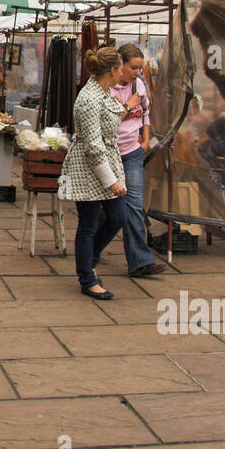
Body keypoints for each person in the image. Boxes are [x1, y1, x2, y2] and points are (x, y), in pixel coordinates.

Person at [58, 46, 127, 300]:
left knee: (118, 216)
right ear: (112, 70)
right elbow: (93, 146)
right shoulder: (89, 98)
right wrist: (111, 182)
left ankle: (90, 258)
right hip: (88, 168)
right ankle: (87, 278)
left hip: (105, 162)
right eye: (121, 68)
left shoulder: (103, 91)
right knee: (88, 223)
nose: (122, 74)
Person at [110, 44, 165, 278]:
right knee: (106, 210)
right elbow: (106, 119)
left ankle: (140, 262)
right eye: (133, 67)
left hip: (132, 151)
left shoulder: (138, 85)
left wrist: (146, 138)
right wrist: (127, 105)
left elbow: (146, 111)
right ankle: (91, 253)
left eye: (139, 68)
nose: (137, 72)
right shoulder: (105, 86)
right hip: (109, 153)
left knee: (133, 205)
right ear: (120, 63)